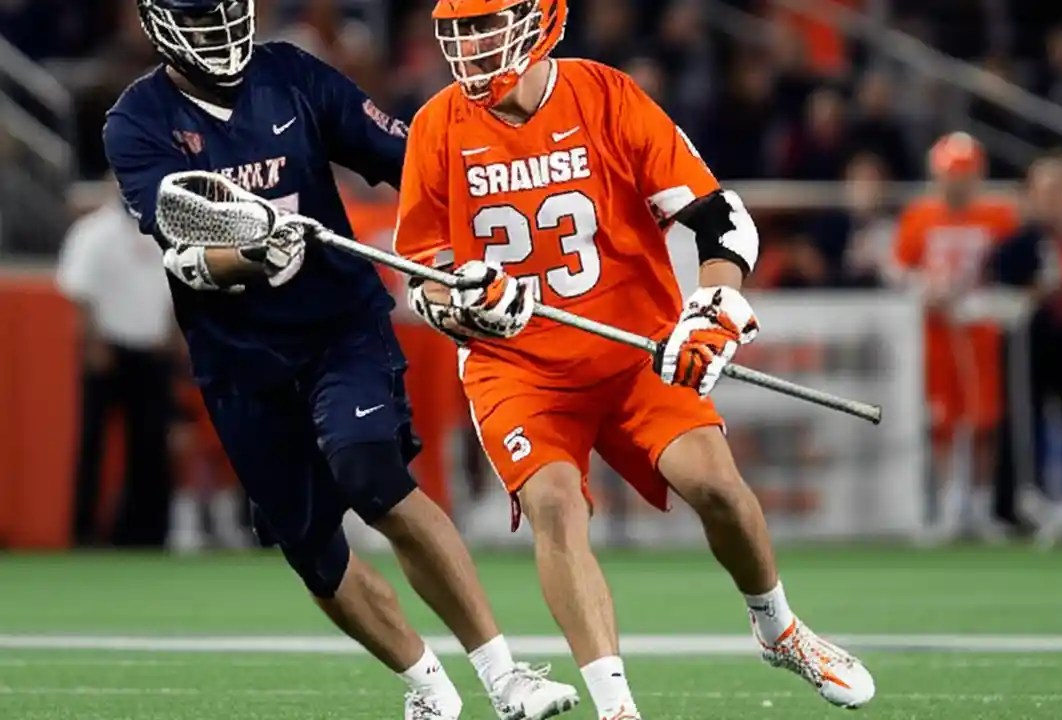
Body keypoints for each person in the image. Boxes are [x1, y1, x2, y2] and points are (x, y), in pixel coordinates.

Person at [393, 2, 876, 719]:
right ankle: (617, 709)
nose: (469, 43)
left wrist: (714, 310)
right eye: (458, 29)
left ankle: (779, 630)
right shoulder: (437, 123)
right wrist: (464, 303)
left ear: (537, 19)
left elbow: (721, 217)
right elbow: (420, 278)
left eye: (483, 22)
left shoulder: (605, 96)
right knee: (555, 507)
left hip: (630, 349)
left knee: (716, 486)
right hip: (517, 367)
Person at [102, 3, 578, 719]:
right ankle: (430, 689)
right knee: (312, 552)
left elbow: (411, 161)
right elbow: (186, 246)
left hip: (337, 328)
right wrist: (254, 255)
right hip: (240, 362)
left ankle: (507, 677)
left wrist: (479, 253)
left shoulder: (291, 75)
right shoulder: (136, 121)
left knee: (372, 475)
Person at [892, 133, 1020, 543]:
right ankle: (948, 503)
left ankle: (980, 506)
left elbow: (1014, 271)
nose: (957, 184)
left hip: (980, 330)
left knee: (984, 420)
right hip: (936, 334)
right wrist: (924, 289)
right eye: (951, 175)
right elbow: (898, 269)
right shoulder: (920, 216)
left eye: (963, 175)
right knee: (942, 422)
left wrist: (987, 299)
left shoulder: (999, 217)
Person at [987, 156, 1062, 539]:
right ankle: (1013, 505)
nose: (1053, 201)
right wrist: (1038, 290)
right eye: (1045, 192)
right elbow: (1002, 293)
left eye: (1059, 191)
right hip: (1028, 345)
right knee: (1020, 423)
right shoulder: (1016, 245)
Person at [56, 183, 176, 548]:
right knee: (94, 442)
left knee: (151, 445)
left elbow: (176, 285)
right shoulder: (93, 232)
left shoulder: (164, 229)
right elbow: (79, 292)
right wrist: (92, 343)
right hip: (108, 349)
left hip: (152, 351)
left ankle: (146, 532)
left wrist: (172, 334)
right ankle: (85, 530)